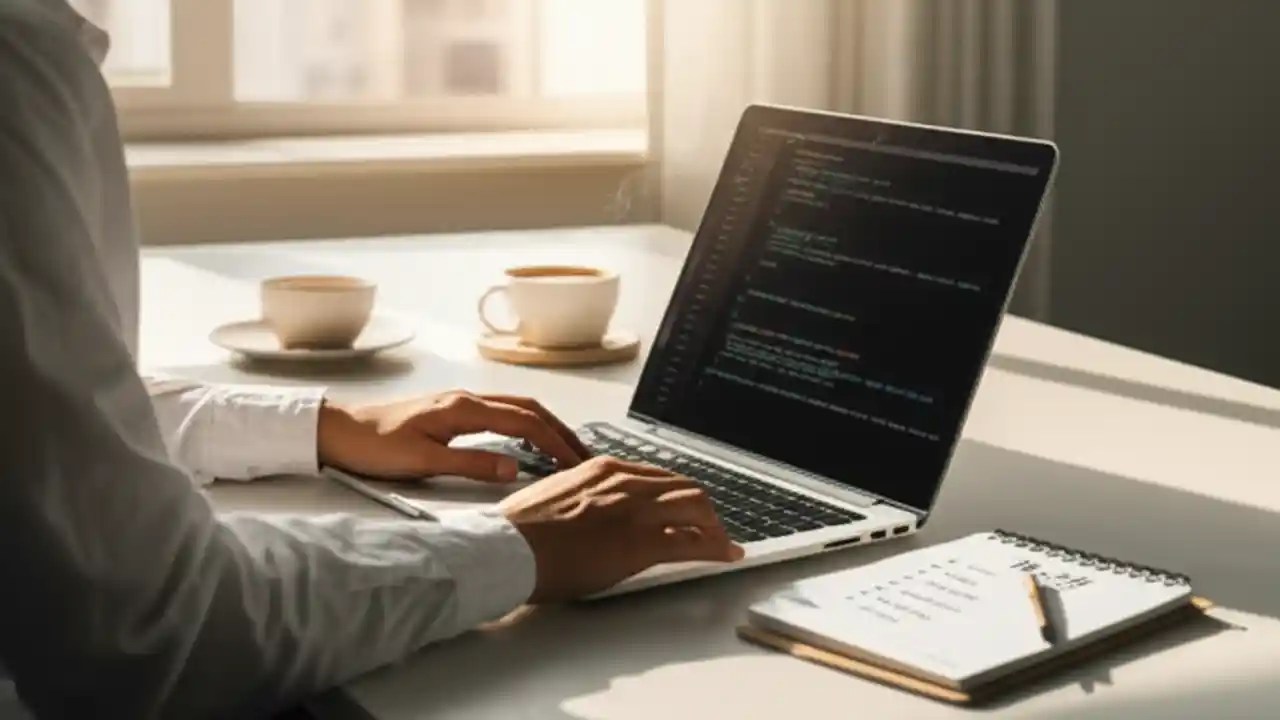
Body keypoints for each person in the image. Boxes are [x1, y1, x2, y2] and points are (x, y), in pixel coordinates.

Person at [0, 1, 743, 717]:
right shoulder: (15, 62)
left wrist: (320, 427)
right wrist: (516, 548)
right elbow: (152, 632)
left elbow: (42, 425)